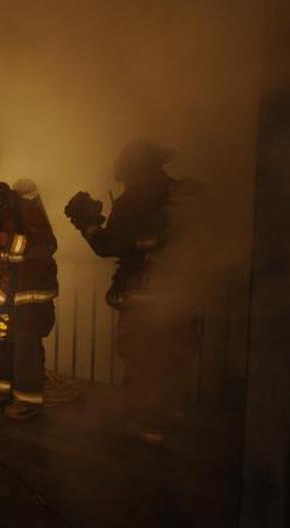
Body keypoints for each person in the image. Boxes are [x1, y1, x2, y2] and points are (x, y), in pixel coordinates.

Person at [64, 140, 197, 445]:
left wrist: (88, 224)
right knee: (175, 353)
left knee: (141, 356)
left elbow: (108, 246)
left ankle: (144, 422)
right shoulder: (178, 194)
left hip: (143, 294)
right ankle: (172, 410)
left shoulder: (133, 200)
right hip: (184, 291)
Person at [0, 179, 58, 420]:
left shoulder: (28, 214)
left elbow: (46, 245)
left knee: (26, 344)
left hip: (31, 294)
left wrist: (4, 241)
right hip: (2, 291)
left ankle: (27, 400)